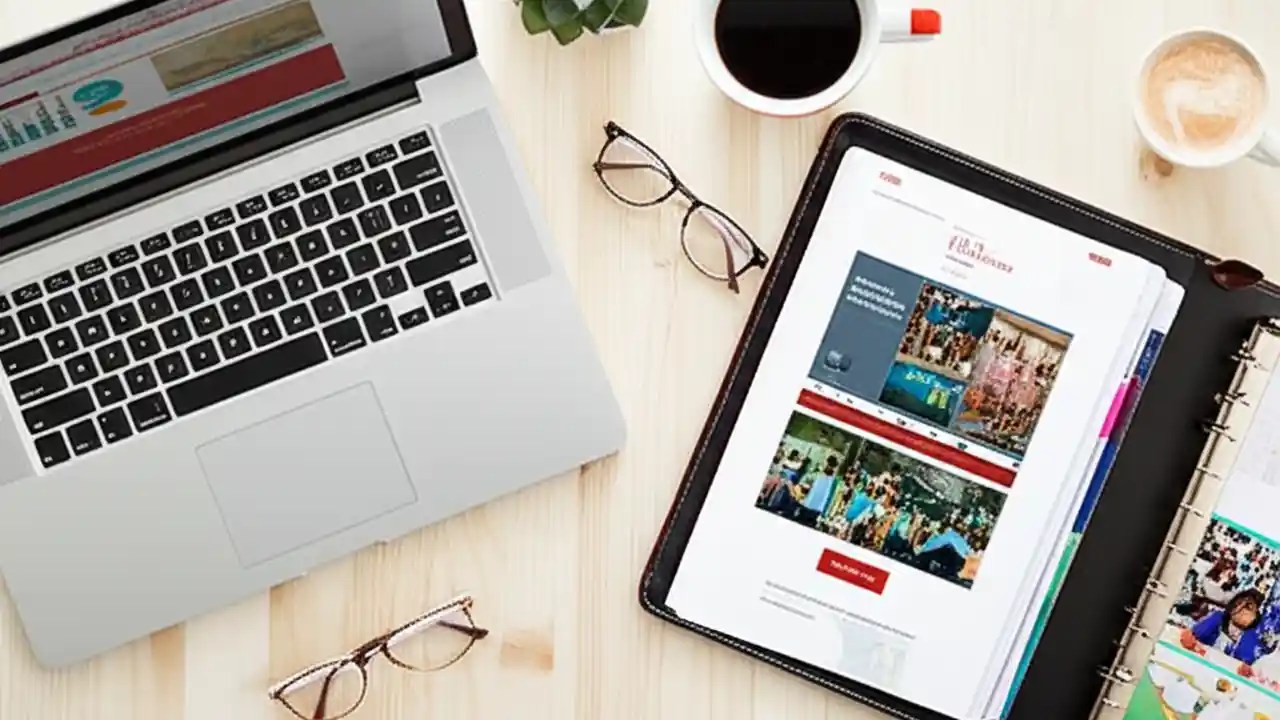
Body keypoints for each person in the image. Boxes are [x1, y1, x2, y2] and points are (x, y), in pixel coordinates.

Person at [1180, 589, 1275, 674]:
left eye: (1248, 608)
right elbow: (1194, 635)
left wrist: (1247, 670)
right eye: (1238, 604)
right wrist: (1188, 637)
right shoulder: (1217, 618)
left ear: (1256, 616)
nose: (1240, 609)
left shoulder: (1251, 637)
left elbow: (1246, 662)